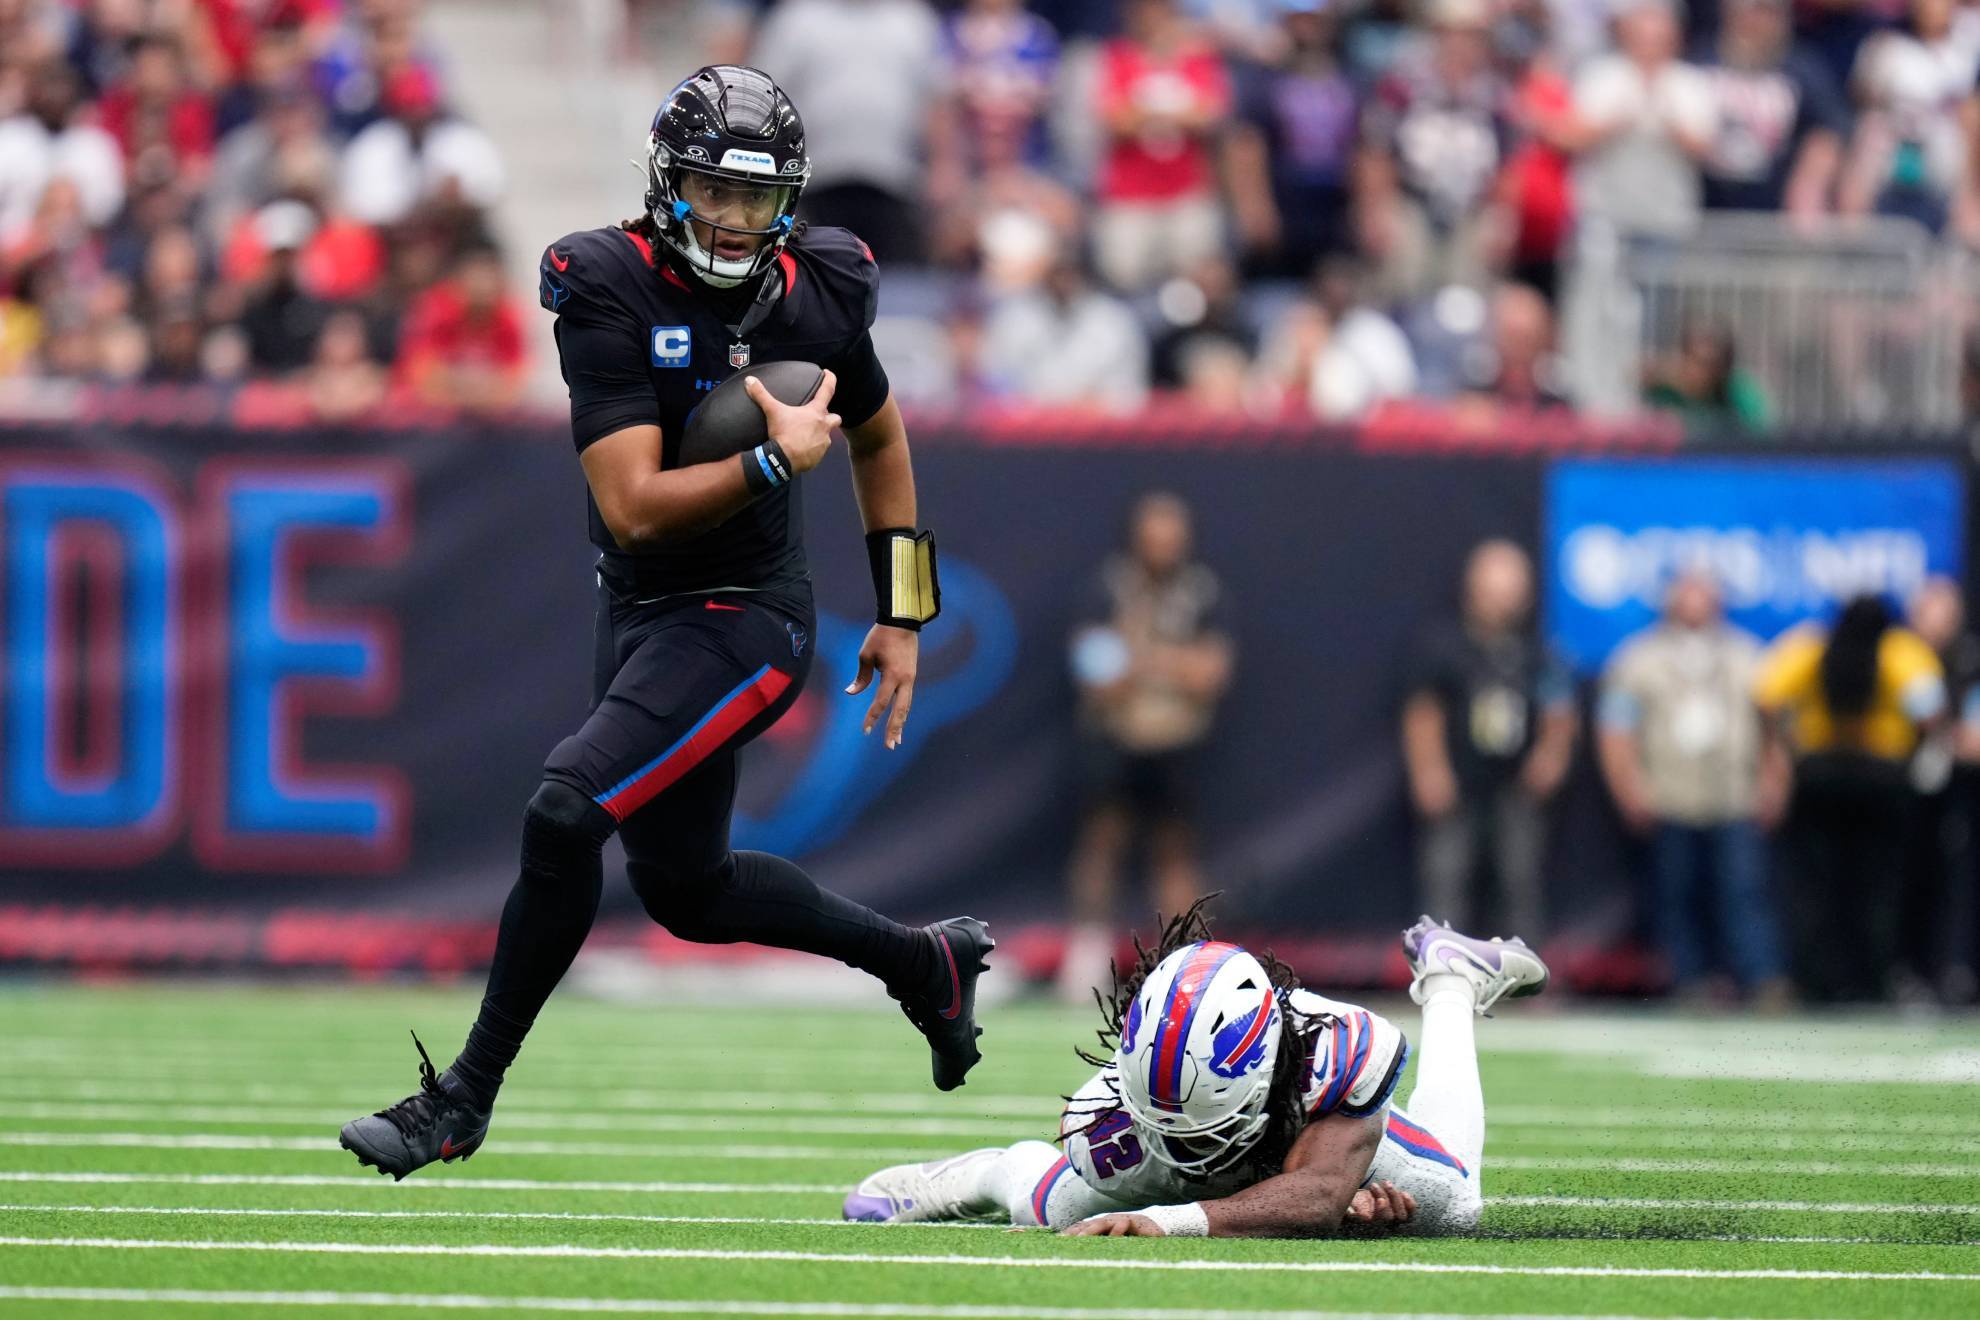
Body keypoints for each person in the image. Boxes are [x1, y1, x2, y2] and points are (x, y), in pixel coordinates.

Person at [338, 66, 993, 1181]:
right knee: (691, 892)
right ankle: (924, 963)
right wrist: (770, 457)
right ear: (666, 183)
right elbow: (635, 509)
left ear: (788, 199)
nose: (734, 220)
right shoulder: (608, 285)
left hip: (750, 620)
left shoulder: (822, 290)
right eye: (711, 190)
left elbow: (879, 438)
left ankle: (462, 1099)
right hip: (643, 601)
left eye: (756, 197)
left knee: (561, 815)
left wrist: (903, 614)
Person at [845, 904, 1549, 1236]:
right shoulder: (1110, 1125)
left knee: (1450, 1206)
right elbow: (1309, 1201)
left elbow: (1316, 1195)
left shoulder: (1337, 1053)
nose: (1192, 1149)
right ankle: (984, 1170)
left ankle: (1451, 978)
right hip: (1261, 1153)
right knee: (1051, 1207)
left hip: (1312, 1140)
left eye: (1207, 1123)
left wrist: (1170, 1219)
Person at [1060, 493, 1234, 1001]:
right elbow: (1095, 673)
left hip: (1177, 739)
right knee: (1101, 840)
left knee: (1175, 851)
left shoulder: (1203, 593)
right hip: (1114, 735)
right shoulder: (1108, 587)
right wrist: (1172, 666)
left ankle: (1187, 966)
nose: (1162, 546)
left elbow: (1211, 674)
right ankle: (1087, 956)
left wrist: (1139, 660)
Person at [1597, 569, 1791, 1006]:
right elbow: (1616, 729)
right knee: (1674, 894)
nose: (1695, 601)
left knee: (1744, 891)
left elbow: (1772, 728)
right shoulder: (1639, 658)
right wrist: (1629, 786)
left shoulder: (1748, 656)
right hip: (1669, 794)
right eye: (1686, 591)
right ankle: (1687, 980)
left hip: (1733, 795)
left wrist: (1774, 779)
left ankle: (1762, 979)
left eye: (1704, 590)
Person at [1754, 595, 1946, 1002]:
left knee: (1818, 887)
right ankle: (1872, 980)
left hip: (1819, 775)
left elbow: (1765, 695)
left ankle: (1816, 982)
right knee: (1879, 887)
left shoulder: (1810, 646)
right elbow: (1929, 711)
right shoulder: (1901, 651)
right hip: (1883, 779)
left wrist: (1780, 749)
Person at [1400, 540, 1576, 940]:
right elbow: (1423, 712)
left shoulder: (1538, 650)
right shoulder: (1443, 646)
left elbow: (1559, 708)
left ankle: (1522, 977)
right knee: (1446, 876)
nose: (1502, 602)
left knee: (1520, 879)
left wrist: (1551, 756)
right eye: (1493, 591)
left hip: (1516, 783)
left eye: (1510, 592)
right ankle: (1438, 969)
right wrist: (1430, 771)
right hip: (1459, 777)